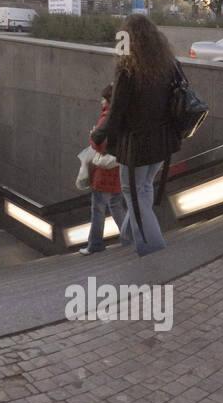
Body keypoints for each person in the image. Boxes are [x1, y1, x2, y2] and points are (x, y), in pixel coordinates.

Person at [92, 14, 193, 258]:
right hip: (164, 141)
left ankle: (154, 250)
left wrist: (99, 134)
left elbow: (116, 111)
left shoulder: (127, 69)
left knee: (134, 194)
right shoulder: (169, 63)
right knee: (144, 188)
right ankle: (127, 237)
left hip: (136, 145)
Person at [78, 85, 126, 256]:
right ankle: (128, 237)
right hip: (118, 169)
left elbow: (99, 143)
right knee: (116, 205)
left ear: (109, 100)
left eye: (103, 98)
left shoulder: (107, 117)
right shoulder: (125, 116)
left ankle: (95, 244)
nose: (101, 101)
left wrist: (92, 136)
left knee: (97, 209)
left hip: (104, 172)